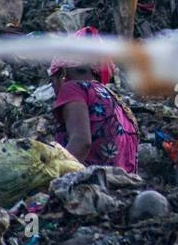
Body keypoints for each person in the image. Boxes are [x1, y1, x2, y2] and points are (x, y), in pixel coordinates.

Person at [50, 27, 139, 173]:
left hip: (88, 185)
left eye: (52, 80)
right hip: (120, 189)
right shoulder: (117, 102)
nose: (54, 88)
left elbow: (81, 142)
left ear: (63, 73)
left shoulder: (72, 88)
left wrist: (53, 175)